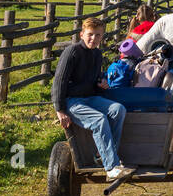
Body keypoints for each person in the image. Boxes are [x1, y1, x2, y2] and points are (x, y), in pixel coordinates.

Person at [52, 16, 127, 180]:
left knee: (118, 109)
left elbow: (94, 77)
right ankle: (111, 166)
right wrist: (60, 110)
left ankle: (104, 156)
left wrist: (101, 82)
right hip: (73, 101)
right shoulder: (72, 52)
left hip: (90, 98)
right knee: (99, 120)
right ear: (82, 34)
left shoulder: (97, 54)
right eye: (90, 34)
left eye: (98, 35)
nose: (94, 38)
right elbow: (59, 81)